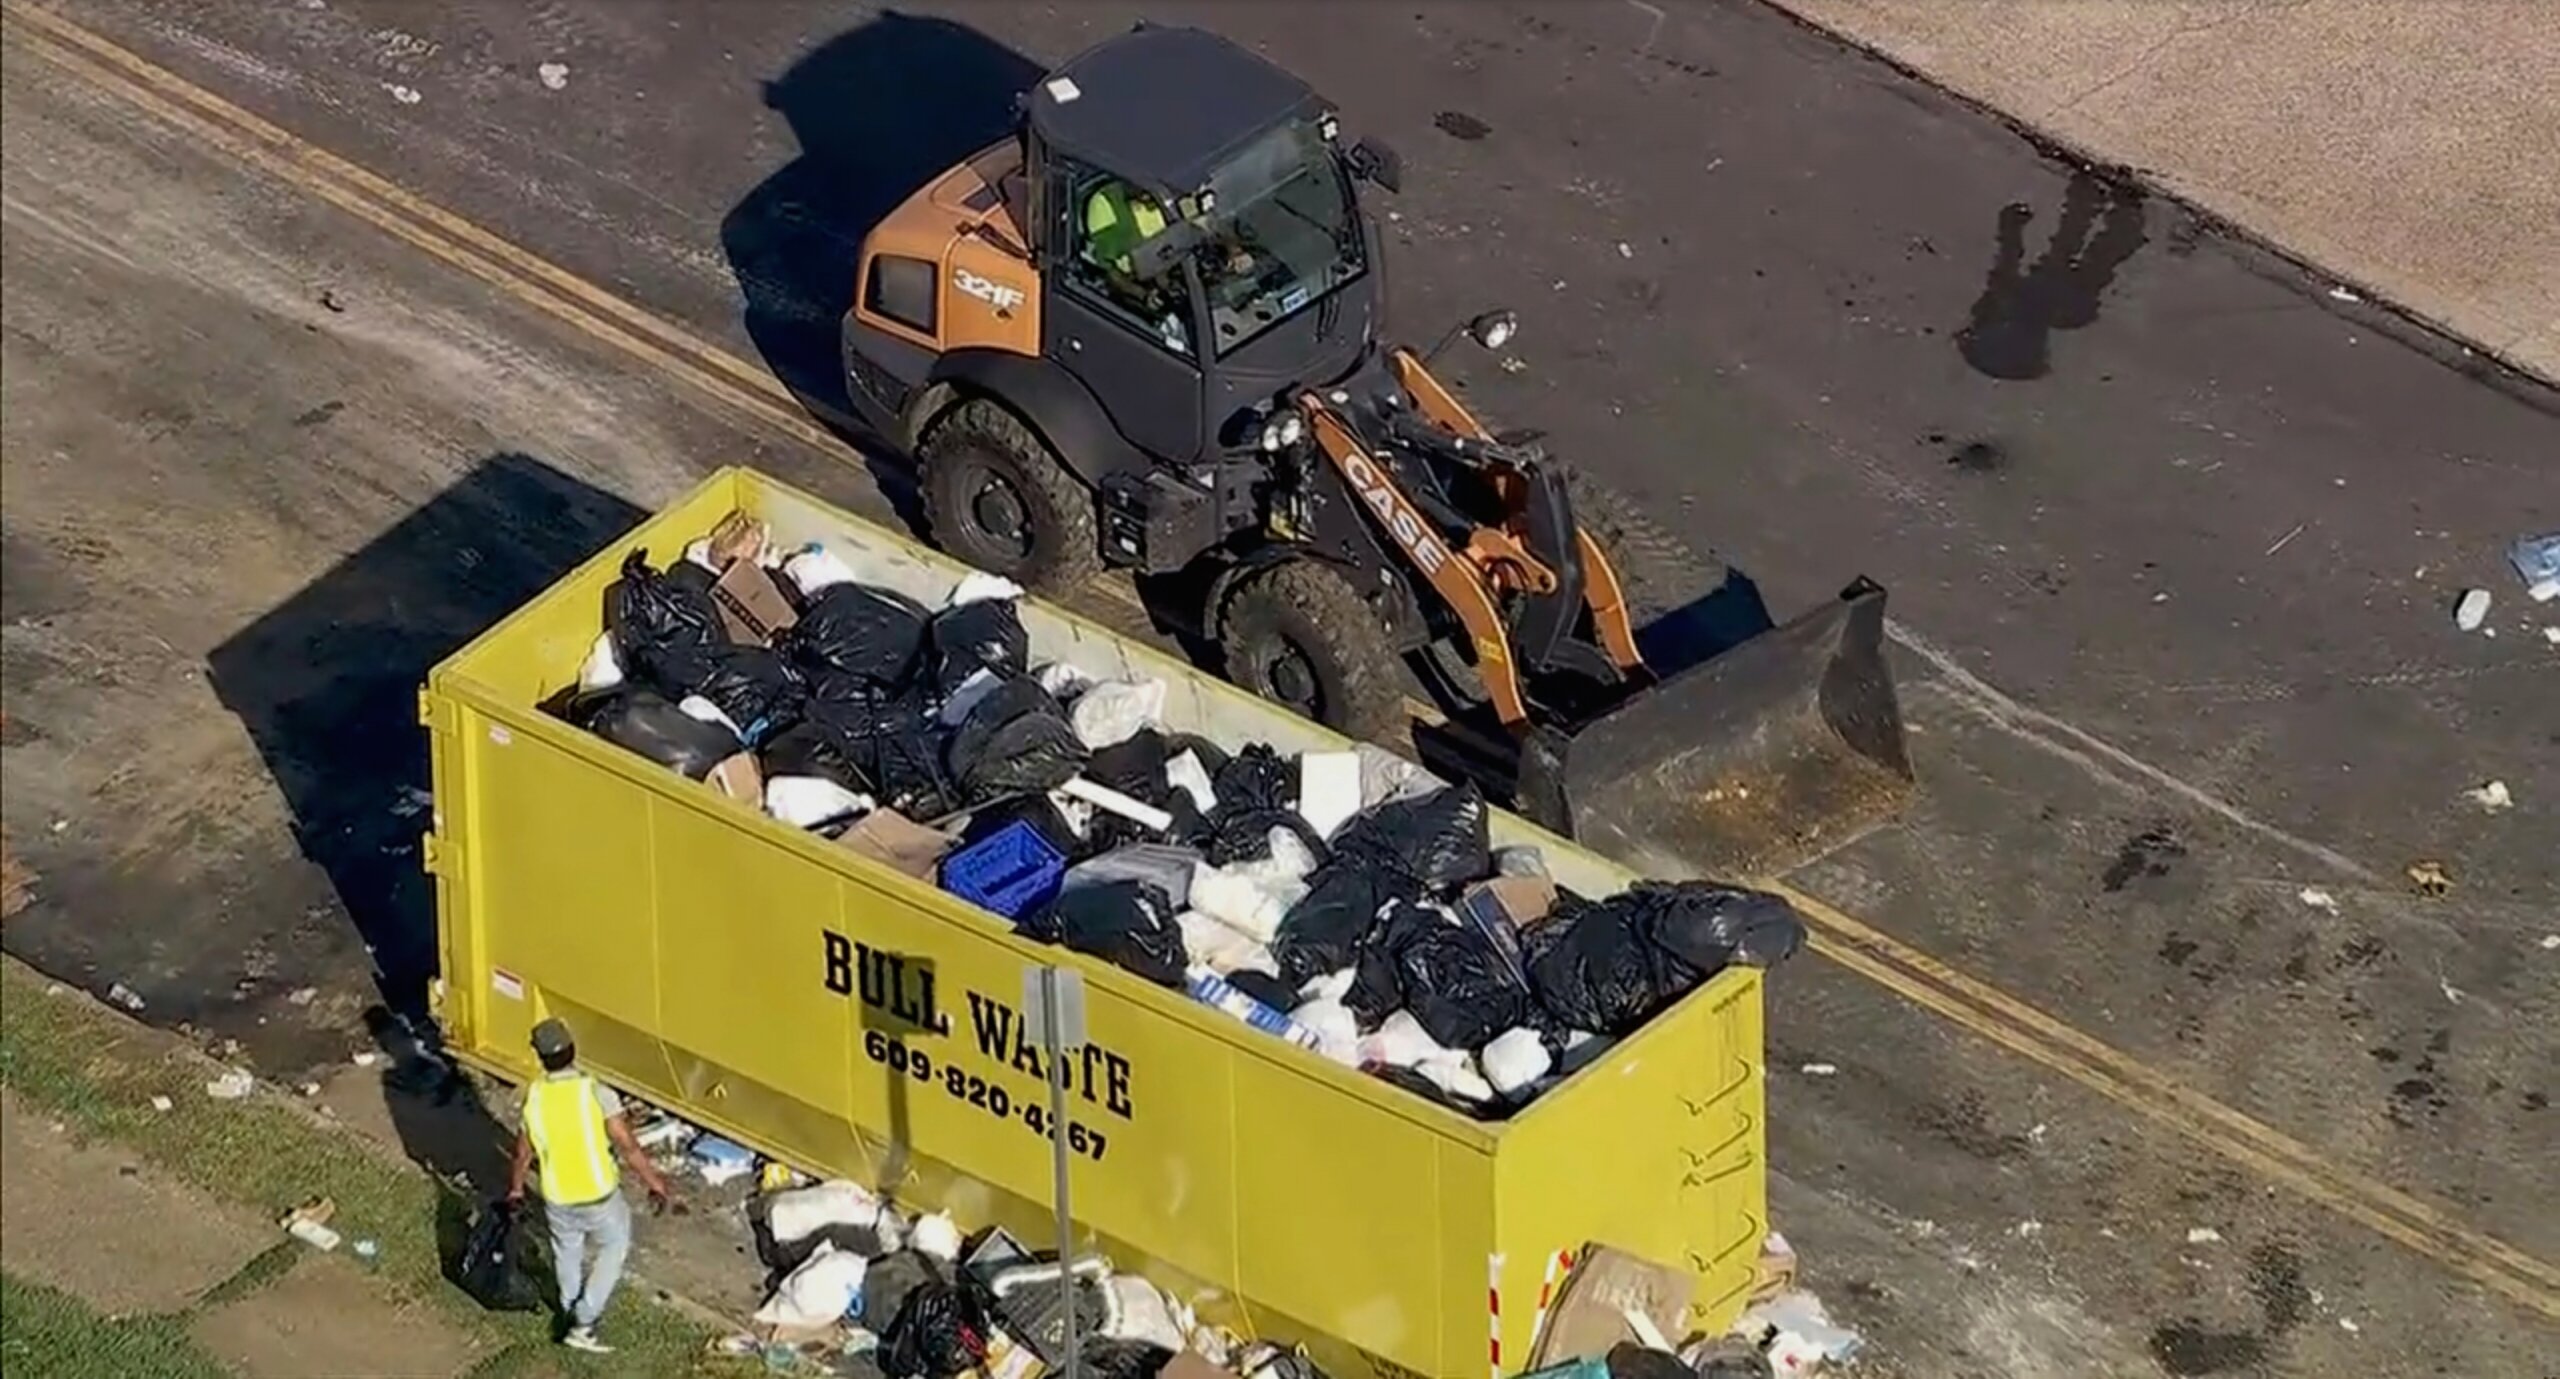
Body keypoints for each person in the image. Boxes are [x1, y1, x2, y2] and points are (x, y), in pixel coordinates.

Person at [504, 1017, 674, 1354]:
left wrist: (517, 1189)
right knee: (614, 1248)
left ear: (540, 1057)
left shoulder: (535, 1097)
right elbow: (627, 1145)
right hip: (598, 1195)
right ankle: (584, 1320)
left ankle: (569, 1310)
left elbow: (523, 1152)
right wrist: (656, 1184)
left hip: (558, 1197)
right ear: (572, 1049)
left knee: (567, 1253)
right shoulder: (596, 1093)